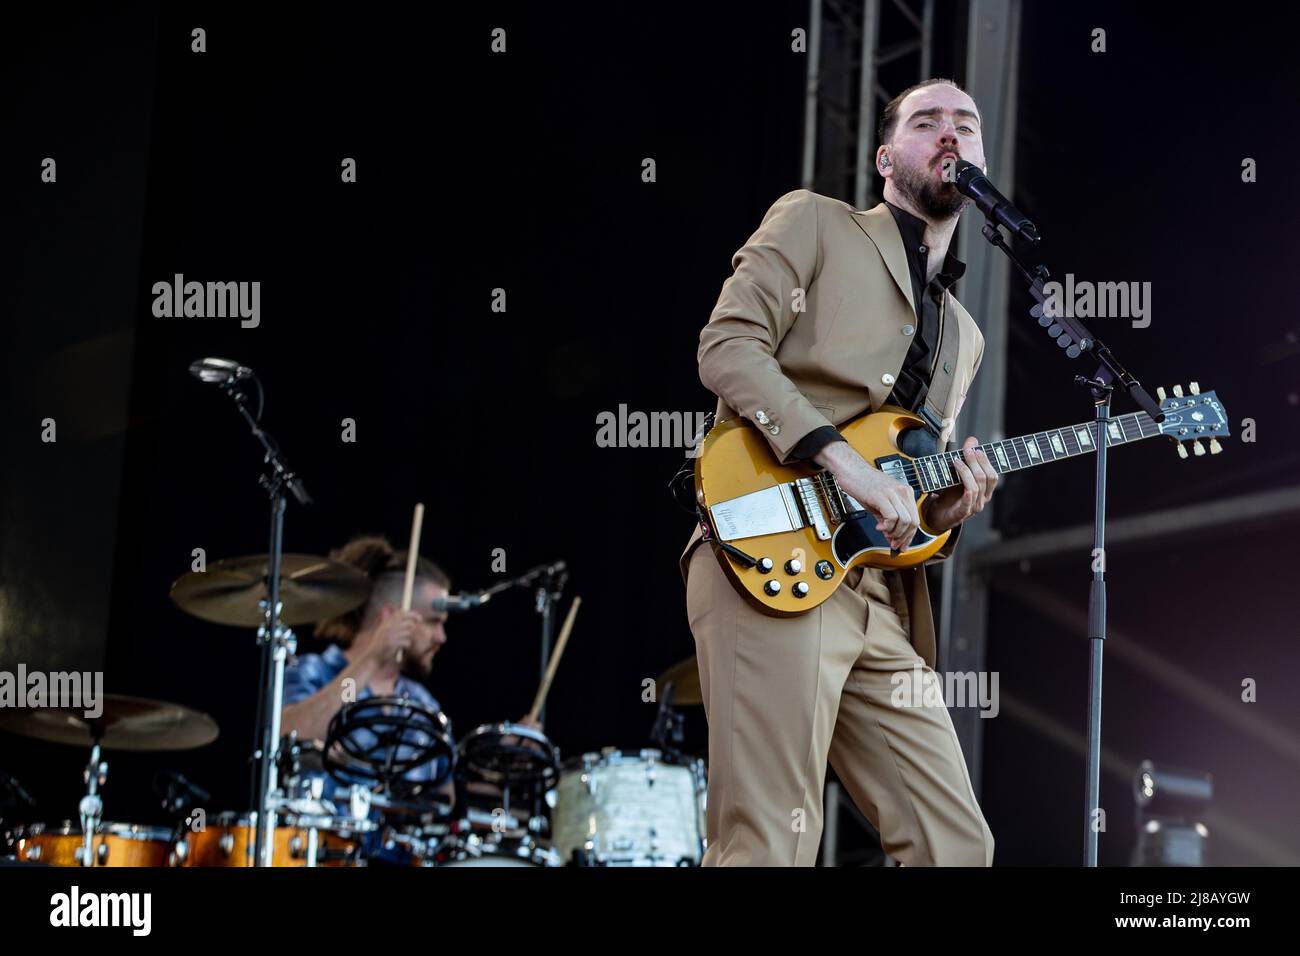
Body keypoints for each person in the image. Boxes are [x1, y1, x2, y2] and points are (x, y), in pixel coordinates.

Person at [681, 78, 999, 866]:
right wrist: (842, 463)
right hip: (773, 550)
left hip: (878, 593)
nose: (950, 134)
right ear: (888, 158)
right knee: (769, 843)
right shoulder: (816, 223)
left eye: (966, 123)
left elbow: (905, 479)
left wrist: (946, 509)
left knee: (957, 845)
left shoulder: (966, 334)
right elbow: (726, 349)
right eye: (928, 123)